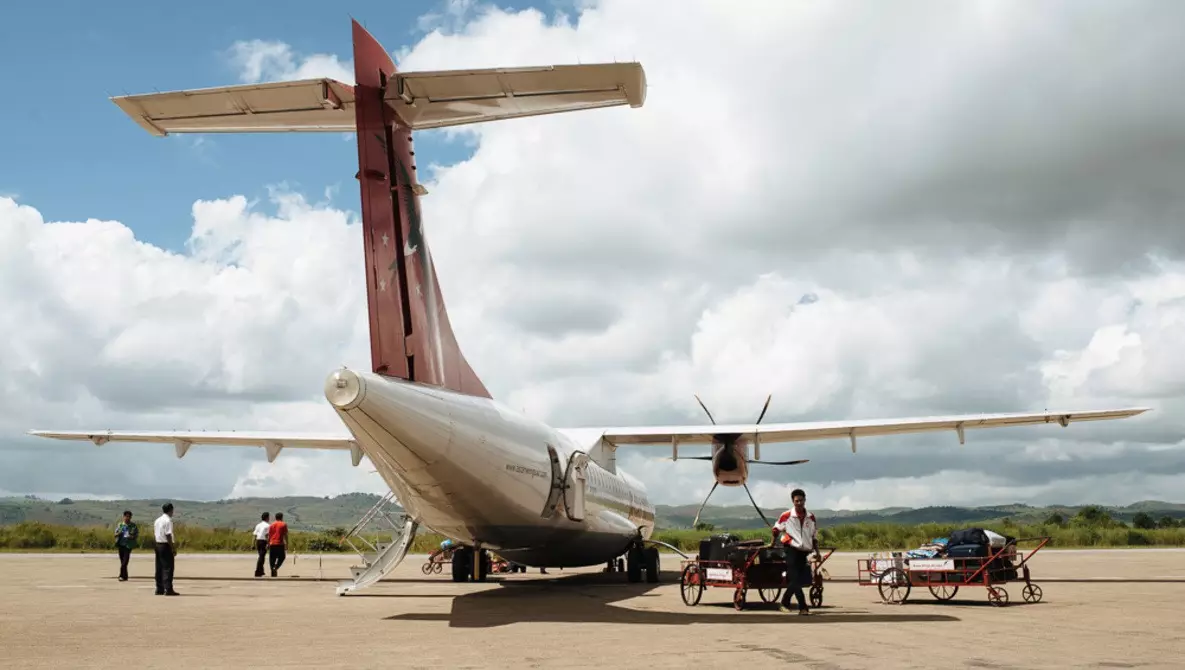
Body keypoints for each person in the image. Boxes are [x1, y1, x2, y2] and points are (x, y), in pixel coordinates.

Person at [772, 488, 819, 615]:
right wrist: (772, 543)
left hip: (804, 551)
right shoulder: (786, 516)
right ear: (793, 501)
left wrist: (817, 553)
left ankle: (784, 603)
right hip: (791, 549)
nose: (799, 503)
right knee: (796, 579)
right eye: (796, 501)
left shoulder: (811, 517)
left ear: (805, 500)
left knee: (797, 580)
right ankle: (803, 607)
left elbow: (814, 536)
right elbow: (776, 529)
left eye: (801, 500)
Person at [153, 502, 179, 596]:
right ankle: (168, 589)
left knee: (159, 567)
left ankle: (159, 588)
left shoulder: (157, 520)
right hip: (165, 545)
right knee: (168, 567)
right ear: (170, 510)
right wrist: (172, 547)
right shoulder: (168, 521)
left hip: (158, 544)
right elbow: (168, 535)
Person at [114, 510, 139, 582]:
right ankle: (125, 576)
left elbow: (136, 535)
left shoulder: (133, 526)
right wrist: (119, 533)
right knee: (122, 562)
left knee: (125, 561)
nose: (127, 518)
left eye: (129, 516)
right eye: (126, 516)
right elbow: (115, 534)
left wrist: (131, 537)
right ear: (123, 517)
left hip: (128, 545)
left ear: (131, 517)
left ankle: (121, 575)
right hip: (121, 545)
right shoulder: (120, 525)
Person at [267, 512, 289, 577]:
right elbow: (285, 535)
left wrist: (268, 543)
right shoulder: (283, 524)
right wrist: (287, 544)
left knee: (272, 559)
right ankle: (275, 567)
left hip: (272, 543)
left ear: (275, 517)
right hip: (280, 544)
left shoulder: (271, 525)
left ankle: (272, 571)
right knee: (282, 557)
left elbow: (269, 535)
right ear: (282, 517)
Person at [252, 512, 271, 578]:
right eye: (269, 517)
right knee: (261, 557)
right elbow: (266, 535)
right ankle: (257, 571)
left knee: (261, 556)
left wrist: (253, 544)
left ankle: (261, 571)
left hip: (258, 541)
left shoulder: (258, 525)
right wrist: (268, 544)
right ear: (267, 518)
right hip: (263, 541)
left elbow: (254, 535)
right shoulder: (268, 525)